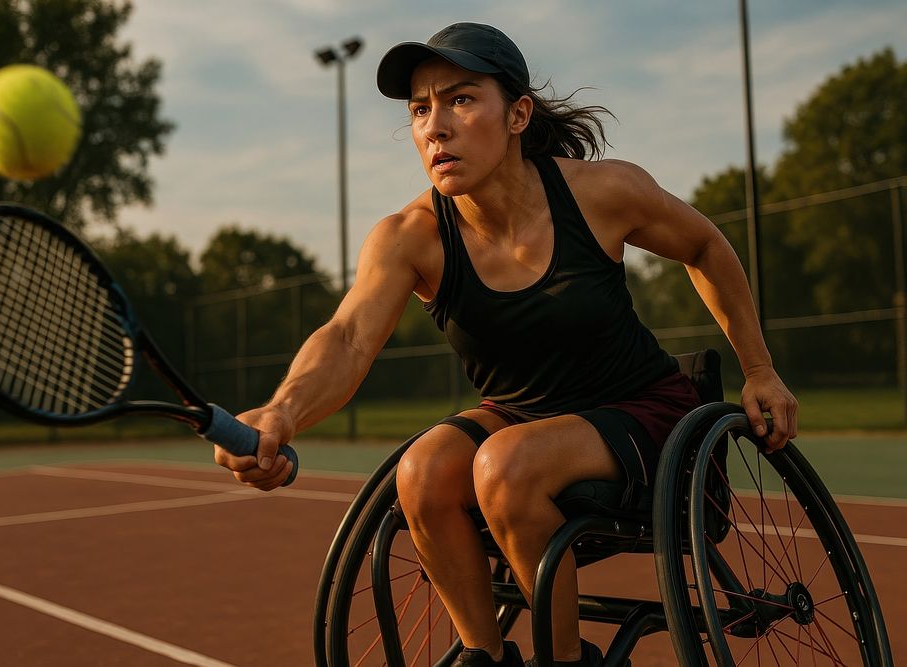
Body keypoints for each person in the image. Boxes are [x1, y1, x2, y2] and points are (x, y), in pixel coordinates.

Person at [213, 21, 798, 667]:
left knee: (505, 463)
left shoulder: (601, 192)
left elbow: (705, 245)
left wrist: (760, 368)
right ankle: (484, 654)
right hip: (519, 418)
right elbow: (348, 336)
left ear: (518, 114)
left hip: (644, 418)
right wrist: (283, 411)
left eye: (461, 99)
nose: (435, 126)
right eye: (419, 108)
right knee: (422, 469)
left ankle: (566, 657)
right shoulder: (411, 235)